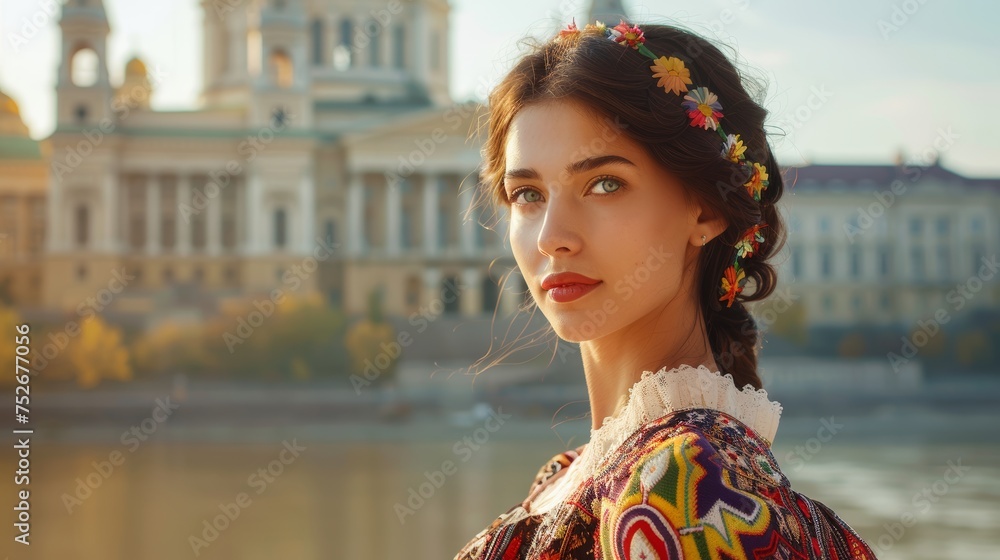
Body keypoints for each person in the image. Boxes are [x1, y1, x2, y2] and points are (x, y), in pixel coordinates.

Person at [454, 19, 878, 559]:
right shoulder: (576, 474)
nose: (551, 237)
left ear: (705, 209)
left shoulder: (679, 492)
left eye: (605, 184)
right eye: (527, 194)